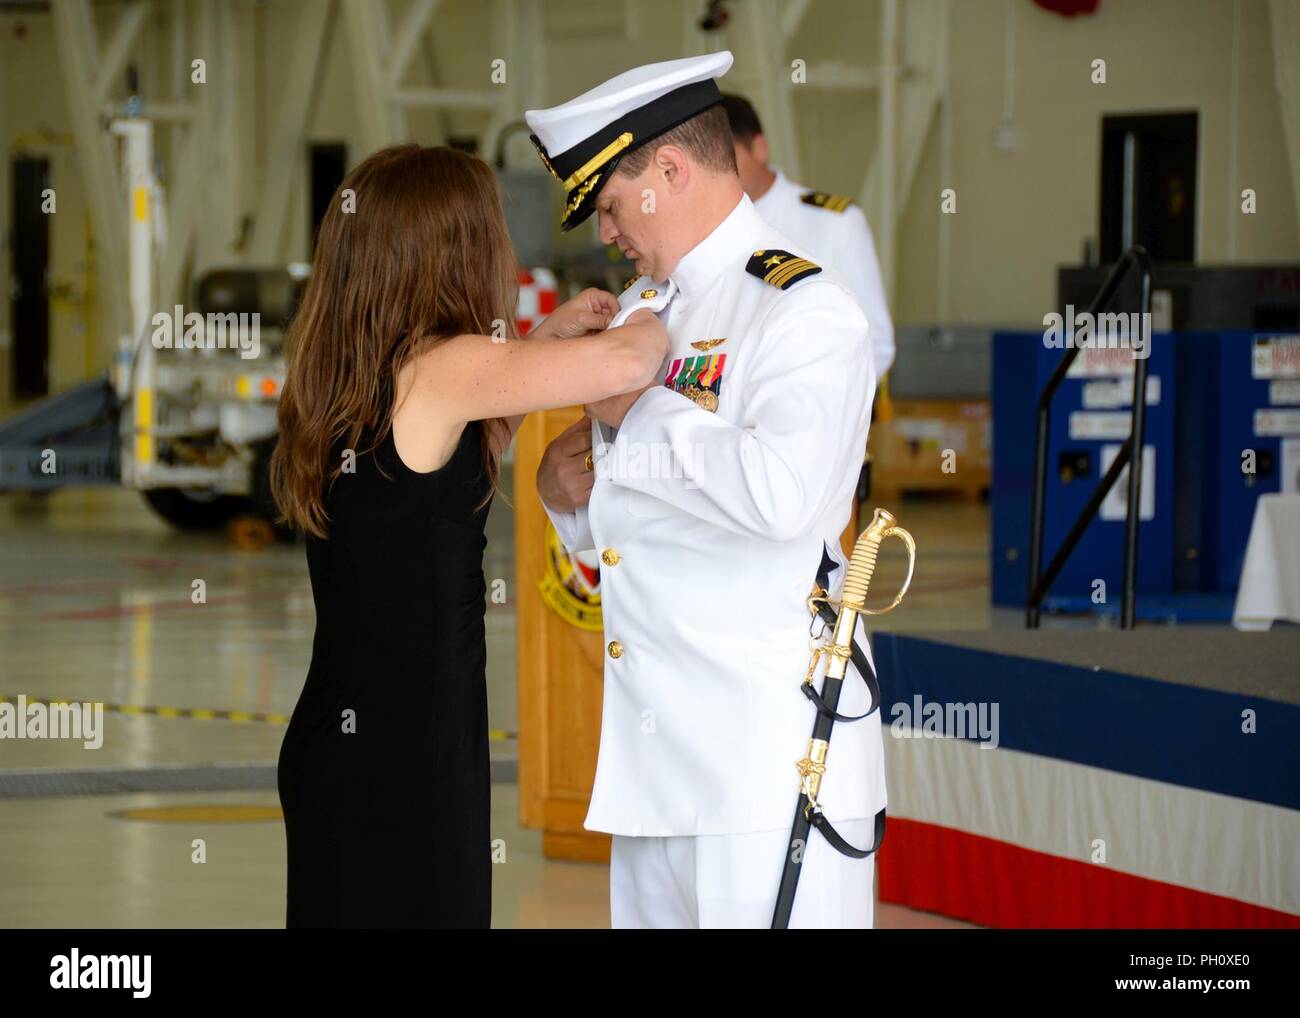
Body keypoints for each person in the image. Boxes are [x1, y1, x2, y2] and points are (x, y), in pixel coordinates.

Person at [526, 51, 886, 928]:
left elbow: (782, 495)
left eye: (609, 206)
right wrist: (568, 496)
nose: (605, 234)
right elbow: (650, 526)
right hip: (659, 772)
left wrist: (638, 413)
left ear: (672, 172)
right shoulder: (648, 308)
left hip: (767, 768)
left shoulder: (803, 309)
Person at [271, 144, 667, 928]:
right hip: (406, 758)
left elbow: (451, 475)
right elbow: (628, 361)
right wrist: (668, 301)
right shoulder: (451, 366)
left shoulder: (350, 373)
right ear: (457, 248)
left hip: (348, 741)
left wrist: (544, 342)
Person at [721, 92, 895, 379]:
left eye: (728, 157)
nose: (719, 171)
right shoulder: (697, 229)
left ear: (759, 148)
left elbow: (875, 344)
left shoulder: (833, 222)